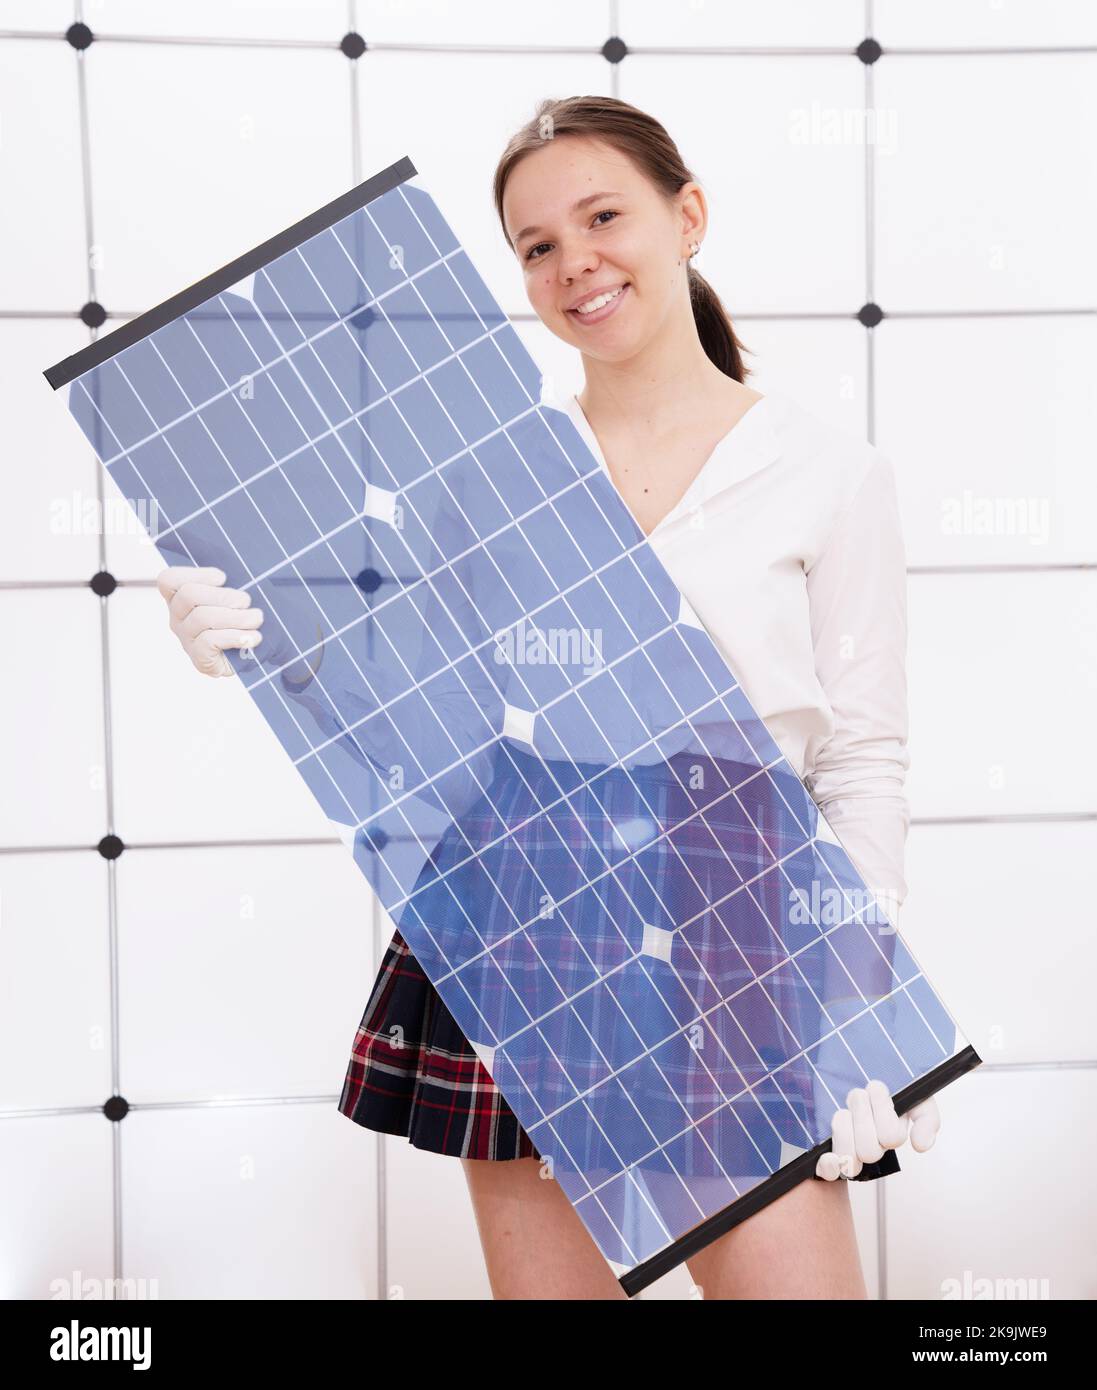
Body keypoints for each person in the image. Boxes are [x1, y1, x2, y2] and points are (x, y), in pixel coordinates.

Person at [157, 95, 940, 1299]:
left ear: (686, 217)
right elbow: (404, 699)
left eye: (602, 216)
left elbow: (861, 760)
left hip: (735, 894)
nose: (573, 262)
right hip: (527, 894)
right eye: (534, 245)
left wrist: (859, 992)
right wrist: (243, 643)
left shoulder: (830, 472)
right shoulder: (496, 470)